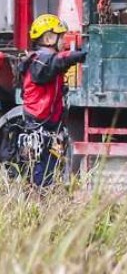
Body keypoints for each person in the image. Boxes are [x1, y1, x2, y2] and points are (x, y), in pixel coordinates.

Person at [16, 14, 87, 185]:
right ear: (48, 38)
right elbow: (58, 61)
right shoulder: (40, 61)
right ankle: (39, 203)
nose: (63, 40)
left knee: (50, 171)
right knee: (41, 174)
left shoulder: (46, 62)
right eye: (60, 36)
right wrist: (80, 54)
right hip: (38, 127)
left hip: (49, 127)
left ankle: (45, 200)